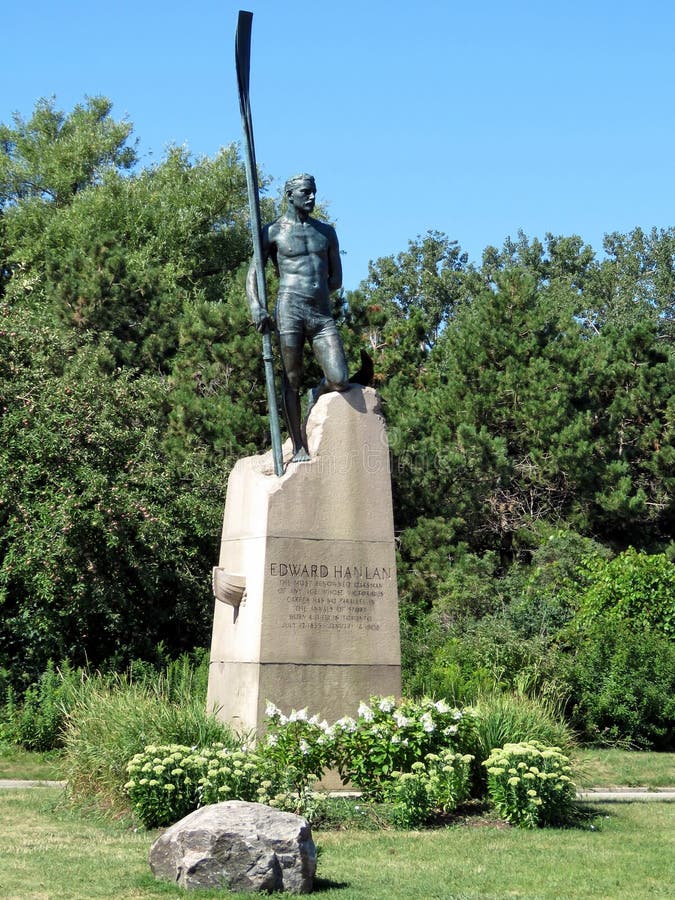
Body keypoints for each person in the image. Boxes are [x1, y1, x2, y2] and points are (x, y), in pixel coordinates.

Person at [246, 173, 349, 462]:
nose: (312, 197)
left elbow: (336, 279)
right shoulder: (272, 232)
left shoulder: (326, 232)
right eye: (306, 192)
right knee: (291, 379)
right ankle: (299, 445)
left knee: (339, 378)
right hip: (289, 309)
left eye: (314, 192)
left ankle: (318, 391)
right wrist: (256, 306)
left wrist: (315, 291)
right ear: (290, 196)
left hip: (320, 314)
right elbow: (254, 271)